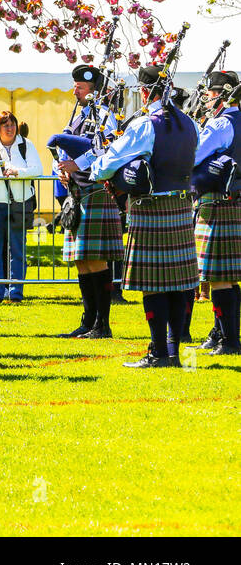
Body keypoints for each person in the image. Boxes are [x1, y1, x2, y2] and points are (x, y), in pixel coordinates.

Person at [87, 65, 200, 368]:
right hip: (181, 206)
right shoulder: (190, 124)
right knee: (177, 282)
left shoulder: (145, 125)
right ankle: (176, 353)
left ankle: (159, 354)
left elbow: (110, 162)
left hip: (150, 208)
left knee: (153, 284)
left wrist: (96, 170)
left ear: (144, 91)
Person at [51, 64, 124, 338]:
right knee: (82, 260)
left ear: (94, 91)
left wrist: (76, 165)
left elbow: (106, 148)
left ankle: (102, 324)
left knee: (96, 260)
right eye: (75, 86)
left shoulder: (105, 116)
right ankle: (88, 320)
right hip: (78, 193)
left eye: (80, 87)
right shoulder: (79, 116)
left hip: (96, 192)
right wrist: (61, 167)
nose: (75, 91)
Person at [191, 70, 241, 355]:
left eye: (210, 94)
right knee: (228, 277)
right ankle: (221, 332)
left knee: (219, 276)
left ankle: (230, 341)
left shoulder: (221, 124)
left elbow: (194, 155)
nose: (207, 100)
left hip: (219, 203)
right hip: (234, 202)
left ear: (221, 94)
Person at [0, 111, 43, 303]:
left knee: (17, 248)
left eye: (12, 124)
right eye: (5, 125)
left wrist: (18, 171)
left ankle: (16, 293)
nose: (10, 129)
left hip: (19, 202)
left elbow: (38, 169)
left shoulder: (26, 145)